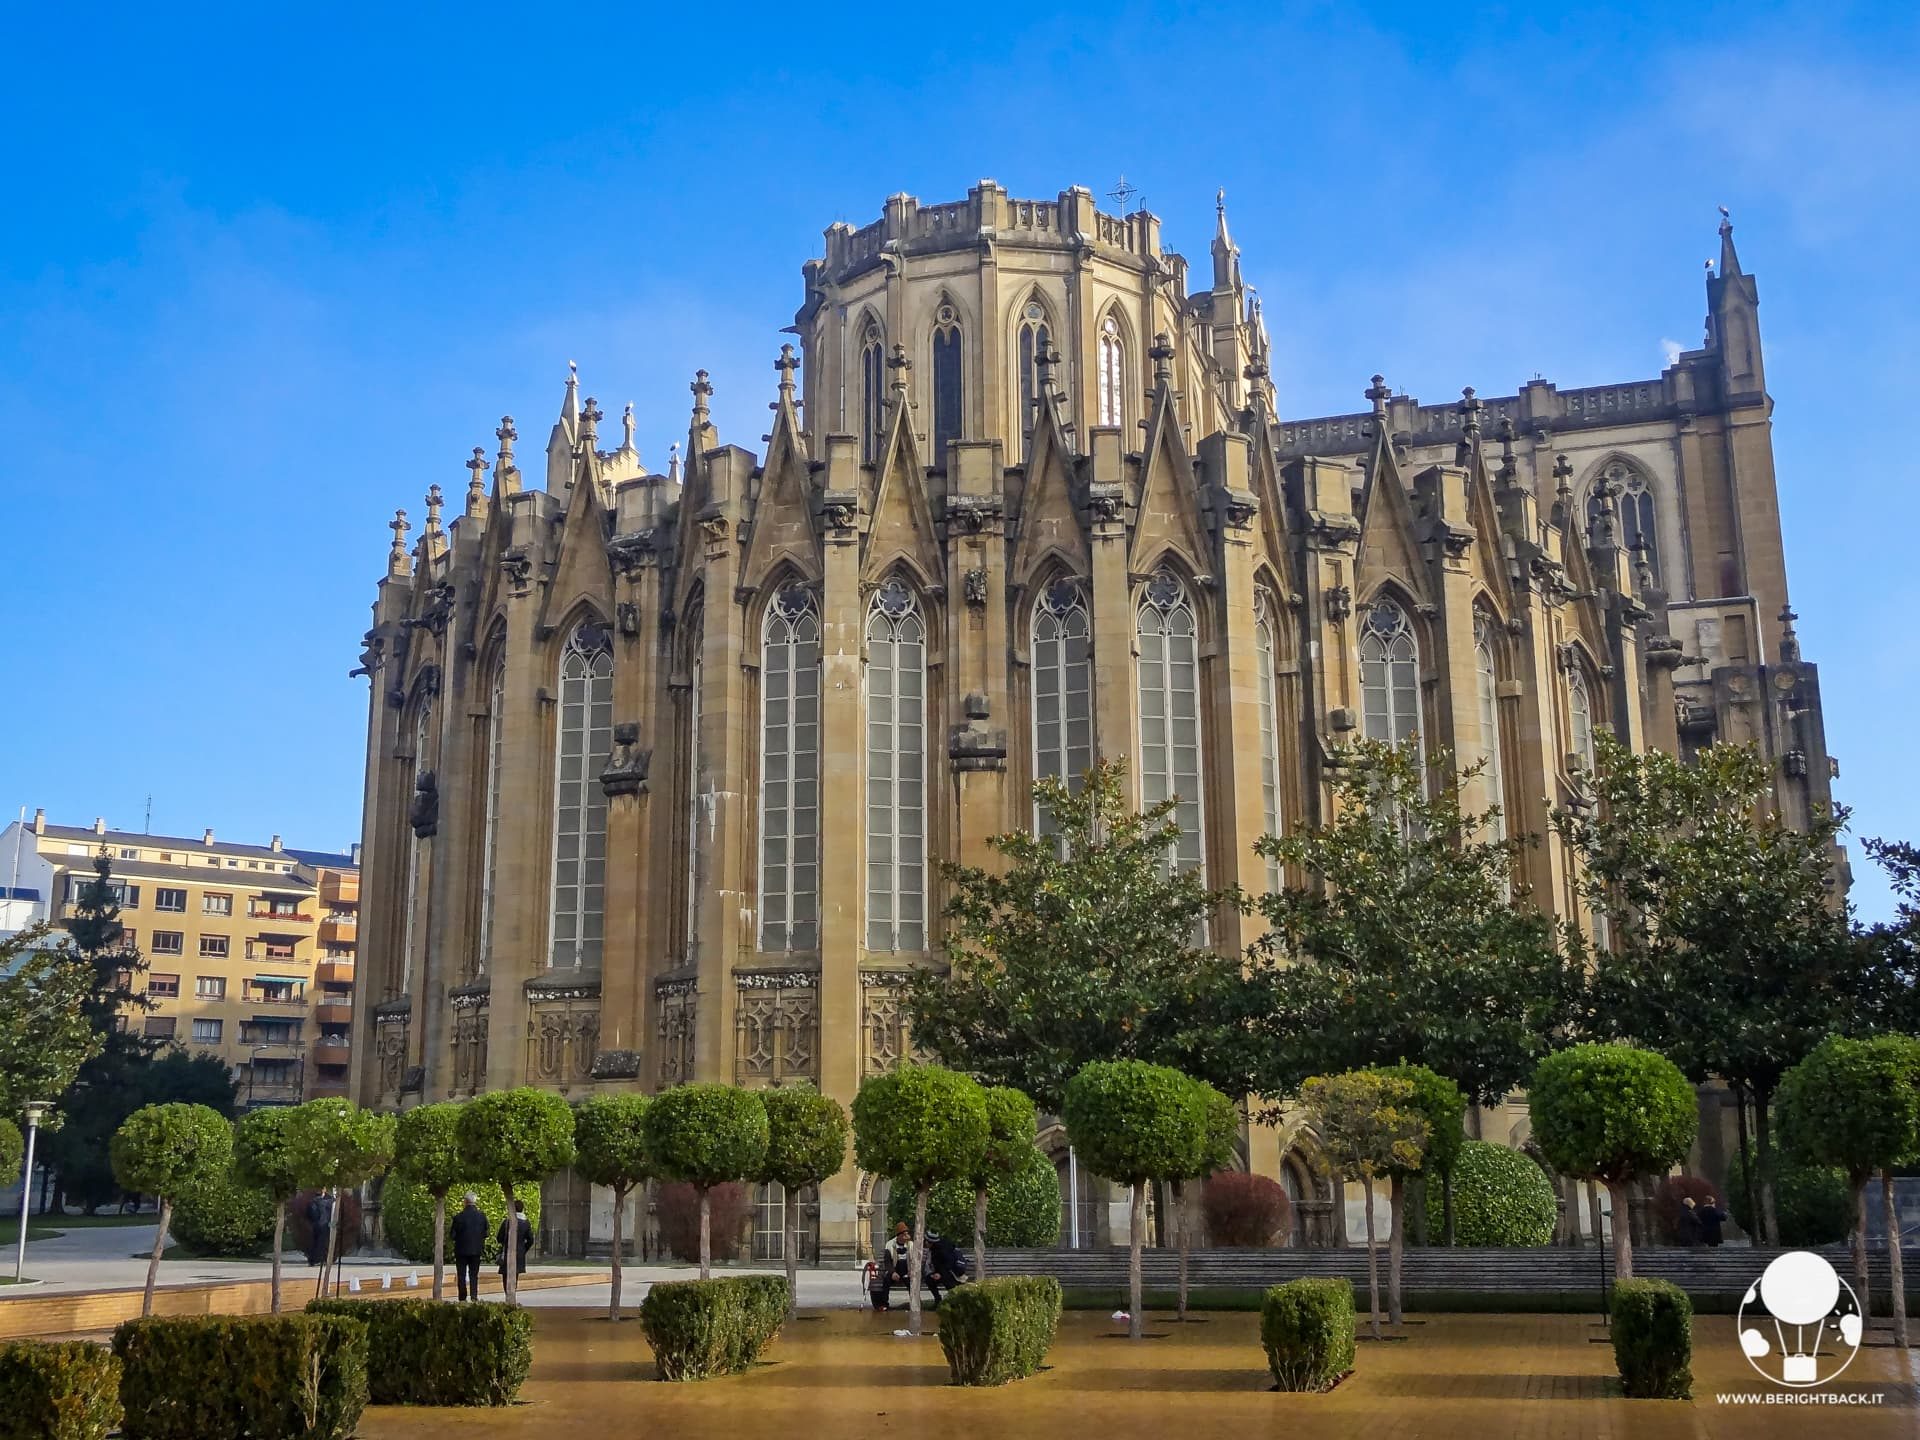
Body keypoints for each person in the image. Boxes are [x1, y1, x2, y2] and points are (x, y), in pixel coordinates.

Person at [450, 1192, 488, 1301]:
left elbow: (452, 1235)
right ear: (475, 1202)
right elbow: (486, 1233)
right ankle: (474, 1296)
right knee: (474, 1274)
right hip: (476, 1249)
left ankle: (462, 1297)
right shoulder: (482, 1217)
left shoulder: (458, 1217)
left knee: (461, 1275)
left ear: (465, 1202)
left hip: (461, 1250)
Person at [923, 1230, 968, 1307]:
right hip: (943, 1273)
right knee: (929, 1279)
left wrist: (940, 1274)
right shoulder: (934, 1249)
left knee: (950, 1286)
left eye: (926, 1241)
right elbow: (938, 1264)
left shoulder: (943, 1249)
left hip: (953, 1274)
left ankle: (956, 1304)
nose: (925, 1242)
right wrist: (936, 1273)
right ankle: (938, 1300)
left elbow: (949, 1263)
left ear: (930, 1242)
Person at [497, 1197, 533, 1281]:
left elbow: (499, 1238)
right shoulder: (525, 1223)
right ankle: (513, 1288)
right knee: (515, 1275)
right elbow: (530, 1240)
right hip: (519, 1252)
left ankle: (507, 1289)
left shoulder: (506, 1222)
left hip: (507, 1252)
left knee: (506, 1276)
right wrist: (523, 1248)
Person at [305, 1190, 334, 1268]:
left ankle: (311, 1260)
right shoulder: (322, 1202)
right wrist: (334, 1197)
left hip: (315, 1225)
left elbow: (307, 1215)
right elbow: (331, 1202)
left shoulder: (311, 1202)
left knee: (314, 1243)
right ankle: (318, 1260)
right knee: (321, 1243)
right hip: (323, 1225)